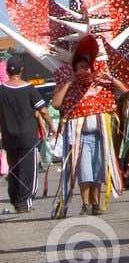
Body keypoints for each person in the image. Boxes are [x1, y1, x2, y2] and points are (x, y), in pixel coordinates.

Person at [51, 37, 121, 217]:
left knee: (98, 169)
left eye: (86, 67)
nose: (84, 70)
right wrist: (70, 81)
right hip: (80, 137)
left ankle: (96, 203)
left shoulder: (101, 84)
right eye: (80, 67)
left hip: (100, 135)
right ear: (74, 69)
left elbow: (125, 91)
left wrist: (109, 77)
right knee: (84, 171)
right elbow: (56, 104)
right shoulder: (70, 87)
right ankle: (85, 204)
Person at [0, 55, 52, 213]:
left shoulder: (1, 90)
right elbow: (43, 110)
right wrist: (52, 126)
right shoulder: (29, 89)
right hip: (28, 136)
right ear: (21, 70)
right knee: (28, 170)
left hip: (9, 137)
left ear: (7, 71)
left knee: (14, 169)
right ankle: (24, 202)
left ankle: (16, 200)